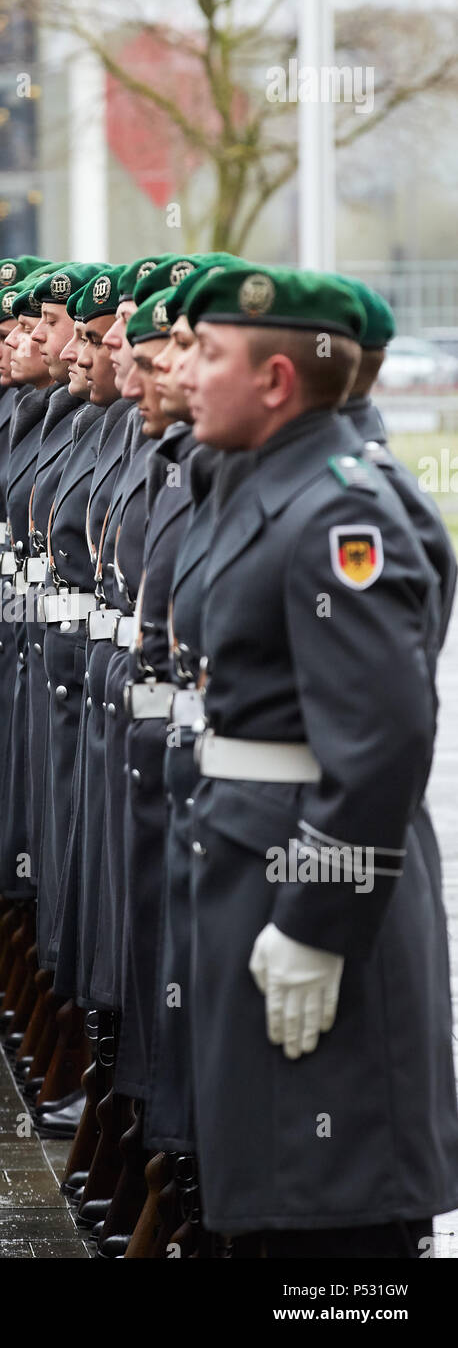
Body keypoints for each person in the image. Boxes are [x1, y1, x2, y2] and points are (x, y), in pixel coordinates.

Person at [174, 263, 458, 1254]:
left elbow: (381, 743)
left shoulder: (341, 513)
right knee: (279, 1196)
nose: (184, 371)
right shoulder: (270, 484)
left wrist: (315, 922)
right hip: (261, 867)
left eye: (208, 354)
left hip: (311, 887)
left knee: (334, 1214)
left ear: (276, 382)